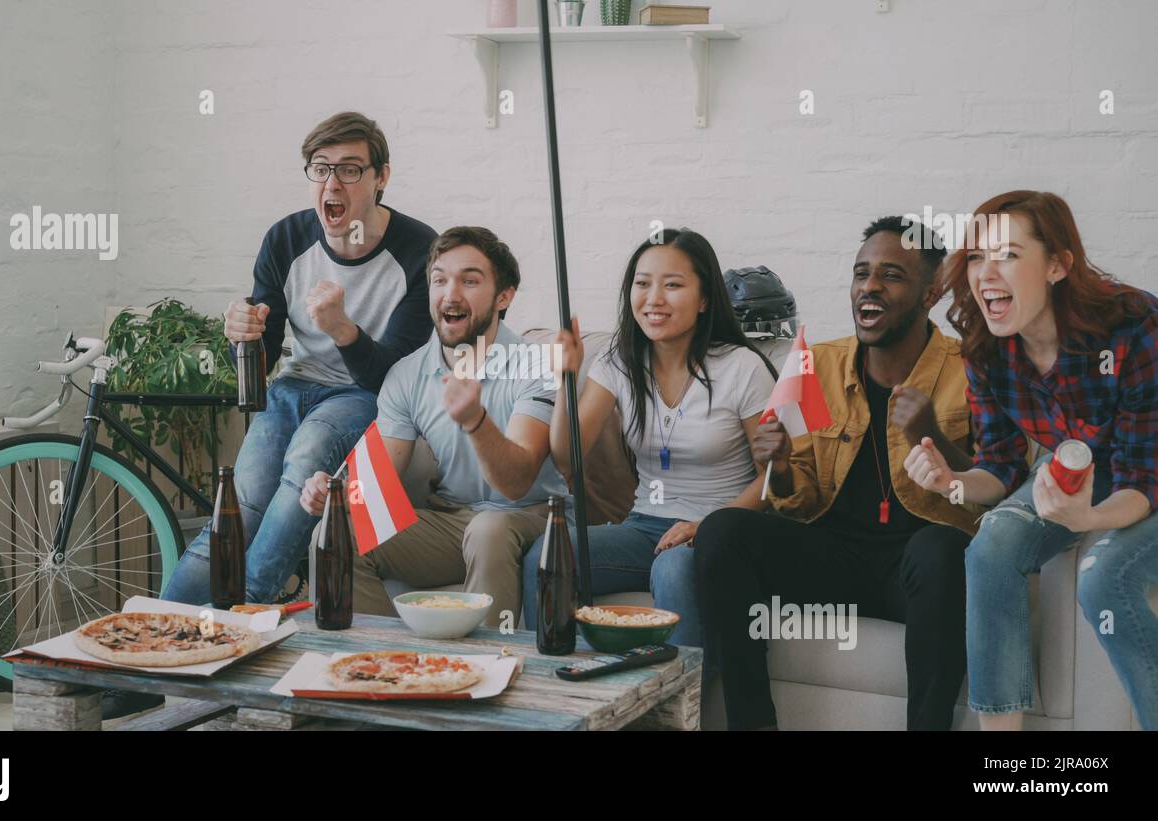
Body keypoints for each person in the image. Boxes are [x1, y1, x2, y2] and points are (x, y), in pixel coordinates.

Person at [694, 216, 980, 730]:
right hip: (833, 560)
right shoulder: (818, 366)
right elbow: (796, 498)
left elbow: (992, 497)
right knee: (724, 531)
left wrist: (930, 435)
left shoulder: (970, 371)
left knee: (941, 549)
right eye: (861, 273)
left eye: (891, 275)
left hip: (916, 572)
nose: (869, 286)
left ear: (930, 292)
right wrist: (779, 466)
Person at [161, 111, 437, 609]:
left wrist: (342, 331)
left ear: (381, 178)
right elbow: (261, 362)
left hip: (363, 396)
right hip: (292, 387)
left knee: (307, 457)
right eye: (320, 168)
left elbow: (393, 376)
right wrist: (241, 337)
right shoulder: (286, 239)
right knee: (241, 505)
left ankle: (242, 614)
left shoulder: (420, 252)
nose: (333, 183)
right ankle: (153, 650)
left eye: (351, 169)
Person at [905, 190, 1158, 730]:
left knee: (1104, 576)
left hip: (1149, 463)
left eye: (1008, 255)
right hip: (1093, 464)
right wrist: (951, 481)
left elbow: (1144, 476)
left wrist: (1089, 519)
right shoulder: (986, 345)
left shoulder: (1133, 326)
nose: (985, 272)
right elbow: (999, 470)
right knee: (991, 545)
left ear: (1058, 265)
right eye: (976, 256)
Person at [521, 229, 778, 647]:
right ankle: (554, 685)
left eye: (672, 285)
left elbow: (774, 479)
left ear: (705, 298)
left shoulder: (741, 368)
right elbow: (569, 457)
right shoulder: (620, 362)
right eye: (643, 284)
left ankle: (685, 702)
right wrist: (565, 378)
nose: (654, 298)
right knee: (545, 556)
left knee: (673, 569)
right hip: (645, 528)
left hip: (719, 532)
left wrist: (704, 525)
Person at [301, 226, 569, 626]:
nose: (451, 294)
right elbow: (375, 485)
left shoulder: (537, 365)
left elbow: (515, 482)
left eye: (470, 280)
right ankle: (382, 668)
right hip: (451, 521)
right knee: (339, 533)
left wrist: (475, 421)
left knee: (489, 530)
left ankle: (490, 675)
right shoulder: (406, 375)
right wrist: (334, 493)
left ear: (504, 296)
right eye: (439, 280)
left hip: (528, 514)